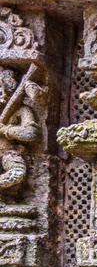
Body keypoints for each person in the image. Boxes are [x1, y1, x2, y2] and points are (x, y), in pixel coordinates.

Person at [0, 66, 43, 205]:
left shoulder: (20, 110)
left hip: (7, 153)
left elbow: (32, 133)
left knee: (18, 173)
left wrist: (6, 130)